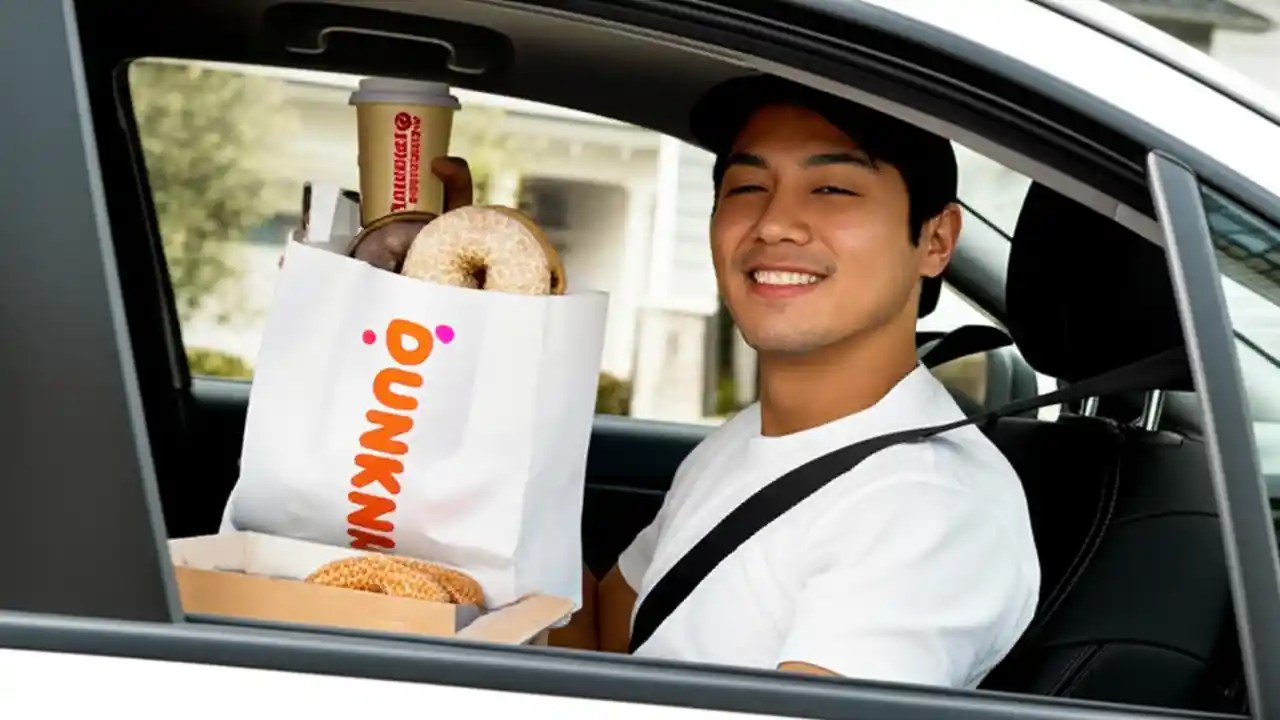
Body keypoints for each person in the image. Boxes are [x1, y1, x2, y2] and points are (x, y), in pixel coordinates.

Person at [547, 75, 1040, 691]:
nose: (774, 224)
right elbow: (602, 639)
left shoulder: (929, 509)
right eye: (748, 187)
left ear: (935, 240)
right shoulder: (746, 438)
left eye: (832, 188)